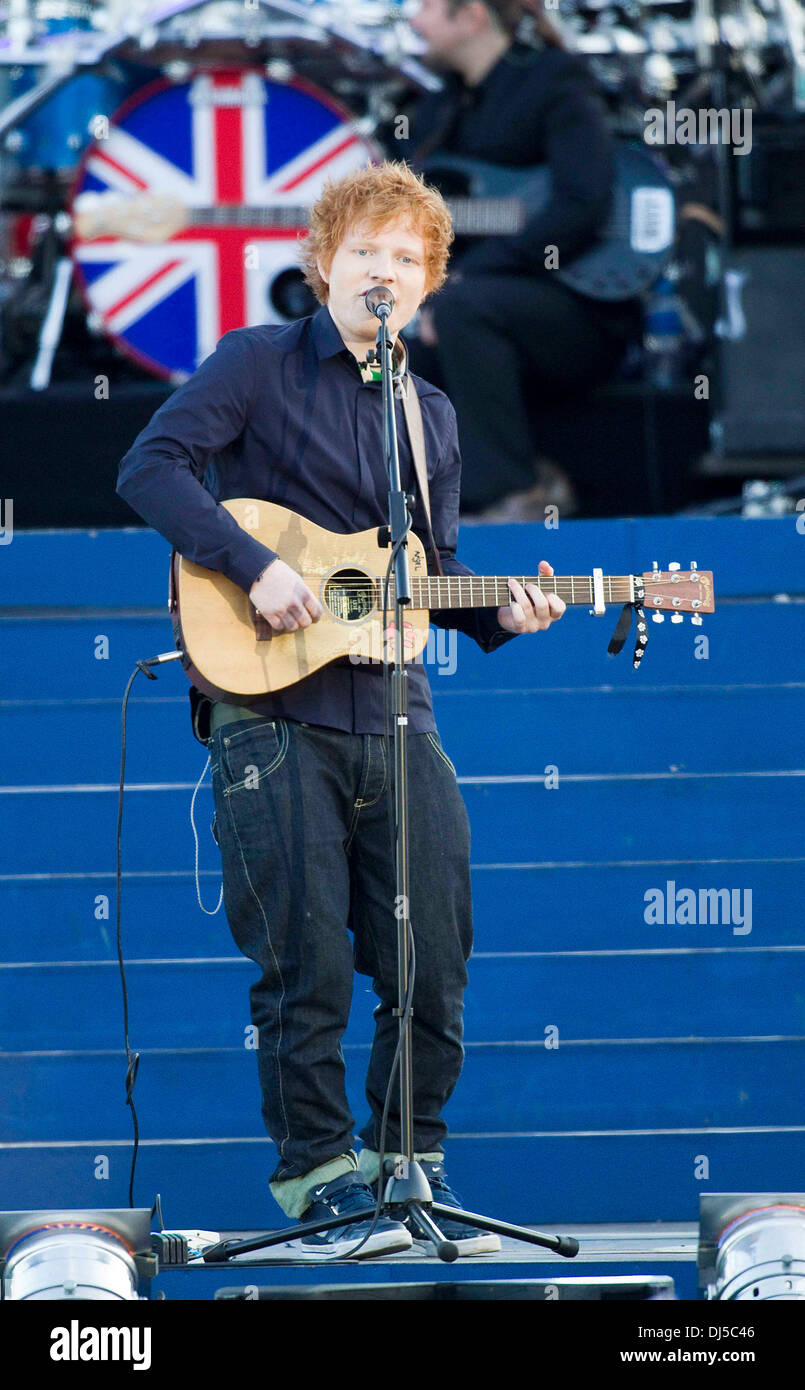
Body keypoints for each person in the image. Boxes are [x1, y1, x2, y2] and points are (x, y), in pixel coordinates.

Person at [116, 161, 566, 1260]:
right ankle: (318, 1178)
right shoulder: (257, 364)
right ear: (323, 262)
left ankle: (407, 1160)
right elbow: (151, 465)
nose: (384, 271)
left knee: (434, 957)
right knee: (305, 963)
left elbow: (428, 571)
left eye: (405, 259)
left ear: (427, 284)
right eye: (365, 251)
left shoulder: (431, 414)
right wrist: (252, 562)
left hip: (397, 710)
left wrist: (504, 613)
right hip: (272, 714)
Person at [391, 0, 644, 519]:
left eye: (429, 8)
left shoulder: (556, 82)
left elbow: (582, 201)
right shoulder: (439, 110)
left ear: (473, 17)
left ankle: (512, 494)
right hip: (486, 305)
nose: (414, 21)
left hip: (585, 310)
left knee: (464, 309)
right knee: (398, 348)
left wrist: (466, 281)